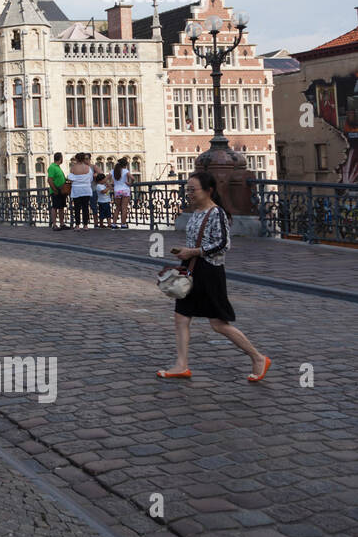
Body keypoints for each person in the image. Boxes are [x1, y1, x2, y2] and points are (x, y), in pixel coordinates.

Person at [159, 171, 270, 382]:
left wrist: (192, 251)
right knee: (181, 317)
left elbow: (223, 244)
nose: (189, 193)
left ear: (208, 190)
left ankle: (258, 358)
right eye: (187, 189)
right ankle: (181, 365)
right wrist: (185, 252)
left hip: (209, 272)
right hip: (192, 268)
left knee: (218, 324)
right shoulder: (197, 212)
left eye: (193, 190)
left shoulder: (216, 213)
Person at [66, 153, 97, 231]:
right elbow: (90, 179)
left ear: (76, 159)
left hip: (76, 190)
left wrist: (77, 180)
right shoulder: (87, 168)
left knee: (77, 208)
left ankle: (77, 225)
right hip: (86, 189)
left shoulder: (73, 168)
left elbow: (70, 178)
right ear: (83, 159)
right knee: (85, 207)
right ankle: (85, 225)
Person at [47, 152, 68, 230]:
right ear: (60, 158)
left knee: (61, 207)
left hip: (62, 190)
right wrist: (55, 190)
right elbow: (49, 180)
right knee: (55, 207)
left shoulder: (57, 167)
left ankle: (62, 224)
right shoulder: (52, 167)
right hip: (56, 190)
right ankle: (54, 224)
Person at [112, 157, 133, 229]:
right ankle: (123, 224)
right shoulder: (125, 171)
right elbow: (133, 178)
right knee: (124, 208)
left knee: (117, 208)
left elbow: (106, 179)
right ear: (125, 165)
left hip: (117, 190)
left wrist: (110, 185)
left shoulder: (113, 171)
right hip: (125, 190)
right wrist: (130, 183)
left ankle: (114, 224)